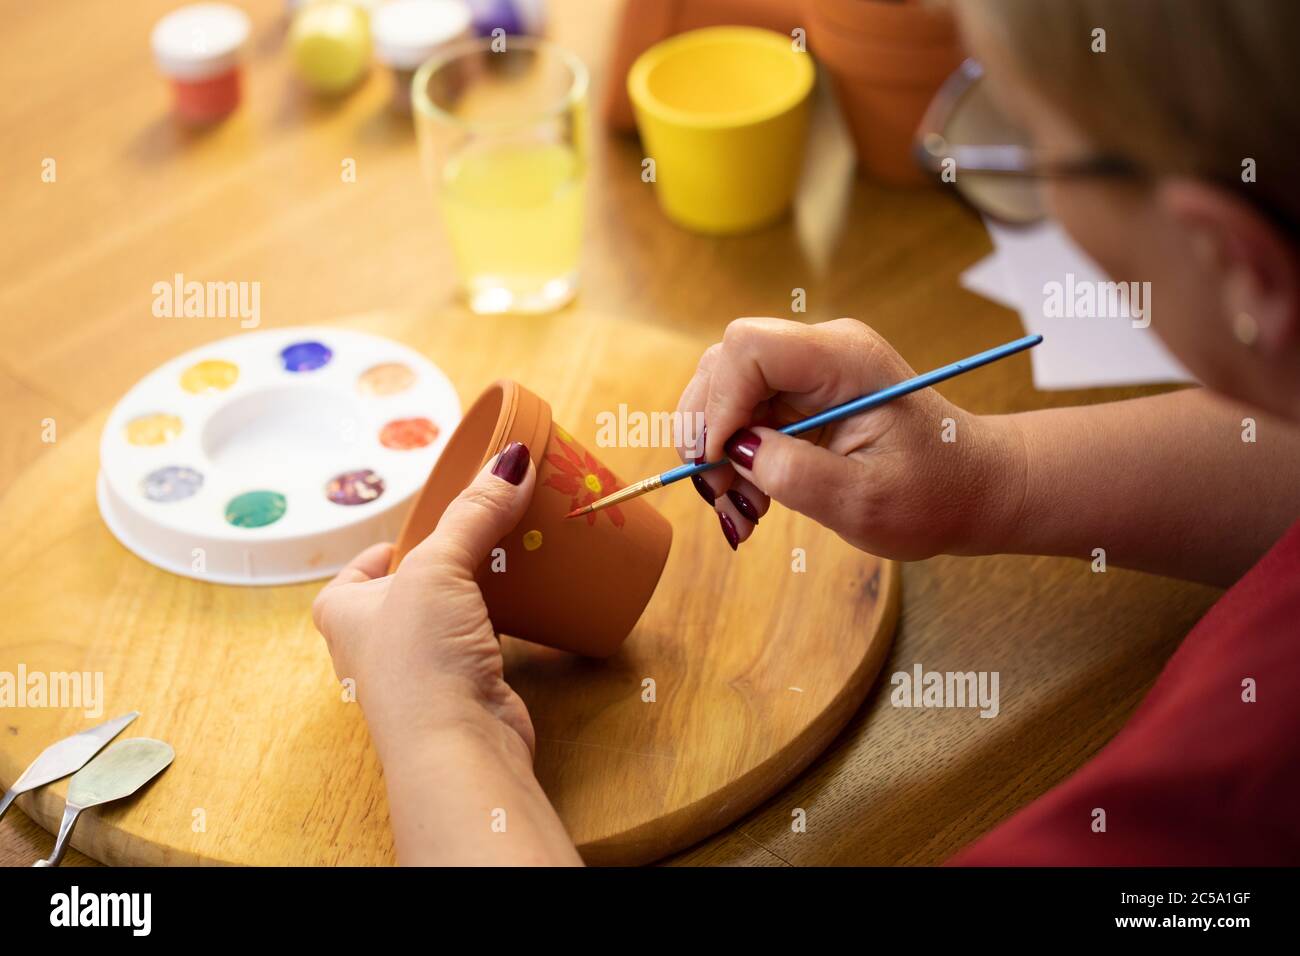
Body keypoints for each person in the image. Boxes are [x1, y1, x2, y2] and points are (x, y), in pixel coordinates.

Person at [313, 0, 1300, 865]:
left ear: (1237, 265)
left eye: (1022, 154)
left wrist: (442, 729)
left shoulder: (1228, 789)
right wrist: (994, 476)